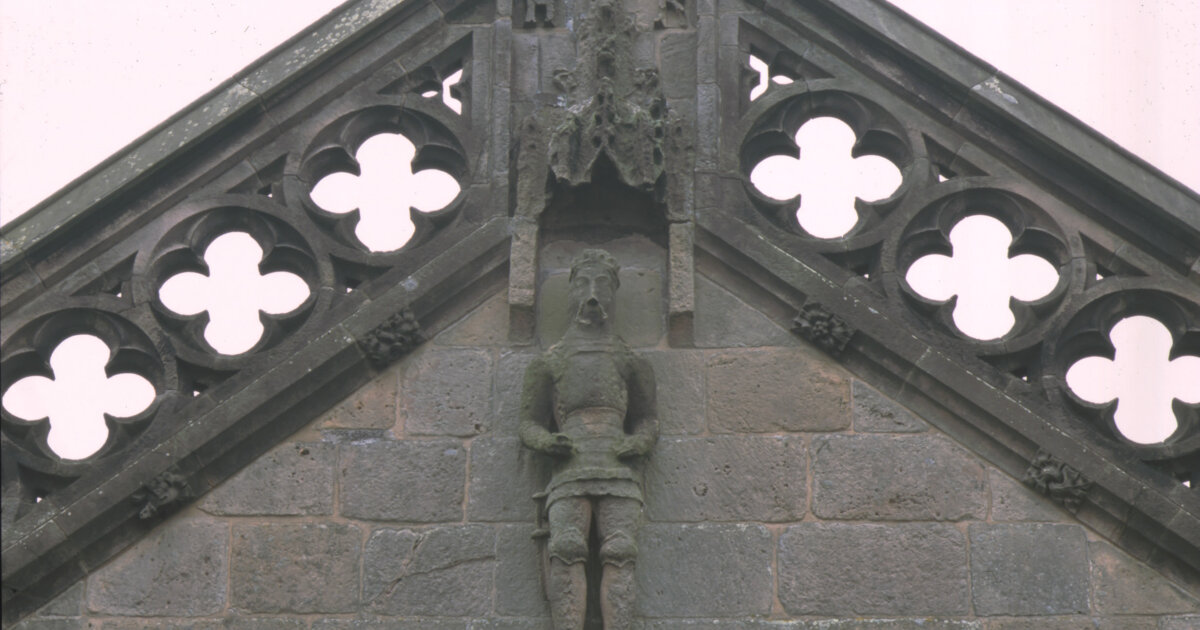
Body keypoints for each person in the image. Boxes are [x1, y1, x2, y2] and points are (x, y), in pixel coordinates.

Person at [519, 249, 658, 630]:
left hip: (617, 468)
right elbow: (529, 422)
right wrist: (547, 442)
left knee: (620, 551)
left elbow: (647, 418)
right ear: (572, 290)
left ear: (614, 291)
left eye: (602, 283)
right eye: (583, 282)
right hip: (570, 468)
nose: (593, 291)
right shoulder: (551, 361)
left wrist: (639, 441)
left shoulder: (629, 360)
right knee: (565, 549)